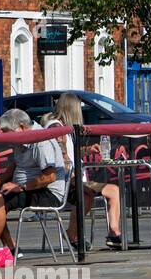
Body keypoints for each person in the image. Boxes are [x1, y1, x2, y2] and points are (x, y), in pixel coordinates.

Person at [0, 108, 67, 254]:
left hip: (47, 192)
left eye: (7, 132)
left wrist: (21, 186)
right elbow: (15, 164)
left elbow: (50, 177)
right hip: (27, 187)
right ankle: (12, 247)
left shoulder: (40, 141)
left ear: (22, 127)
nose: (5, 137)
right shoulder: (22, 138)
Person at [42, 93, 123, 251]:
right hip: (66, 180)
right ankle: (80, 234)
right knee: (95, 193)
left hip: (72, 177)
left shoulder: (62, 127)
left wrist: (86, 150)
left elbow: (69, 154)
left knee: (109, 191)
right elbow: (62, 158)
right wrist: (76, 175)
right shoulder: (56, 128)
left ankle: (112, 232)